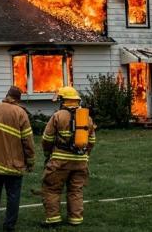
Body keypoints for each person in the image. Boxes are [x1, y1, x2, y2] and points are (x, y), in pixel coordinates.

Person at [0, 86, 35, 231]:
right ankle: (9, 227)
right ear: (18, 100)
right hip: (13, 163)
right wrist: (30, 161)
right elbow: (27, 141)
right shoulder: (20, 113)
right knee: (13, 195)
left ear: (6, 96)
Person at [41, 86, 96, 227]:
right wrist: (85, 156)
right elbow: (92, 141)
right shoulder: (87, 118)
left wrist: (48, 154)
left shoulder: (58, 116)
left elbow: (47, 139)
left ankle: (53, 219)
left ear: (63, 101)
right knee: (75, 190)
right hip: (81, 162)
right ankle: (75, 219)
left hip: (60, 161)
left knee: (52, 188)